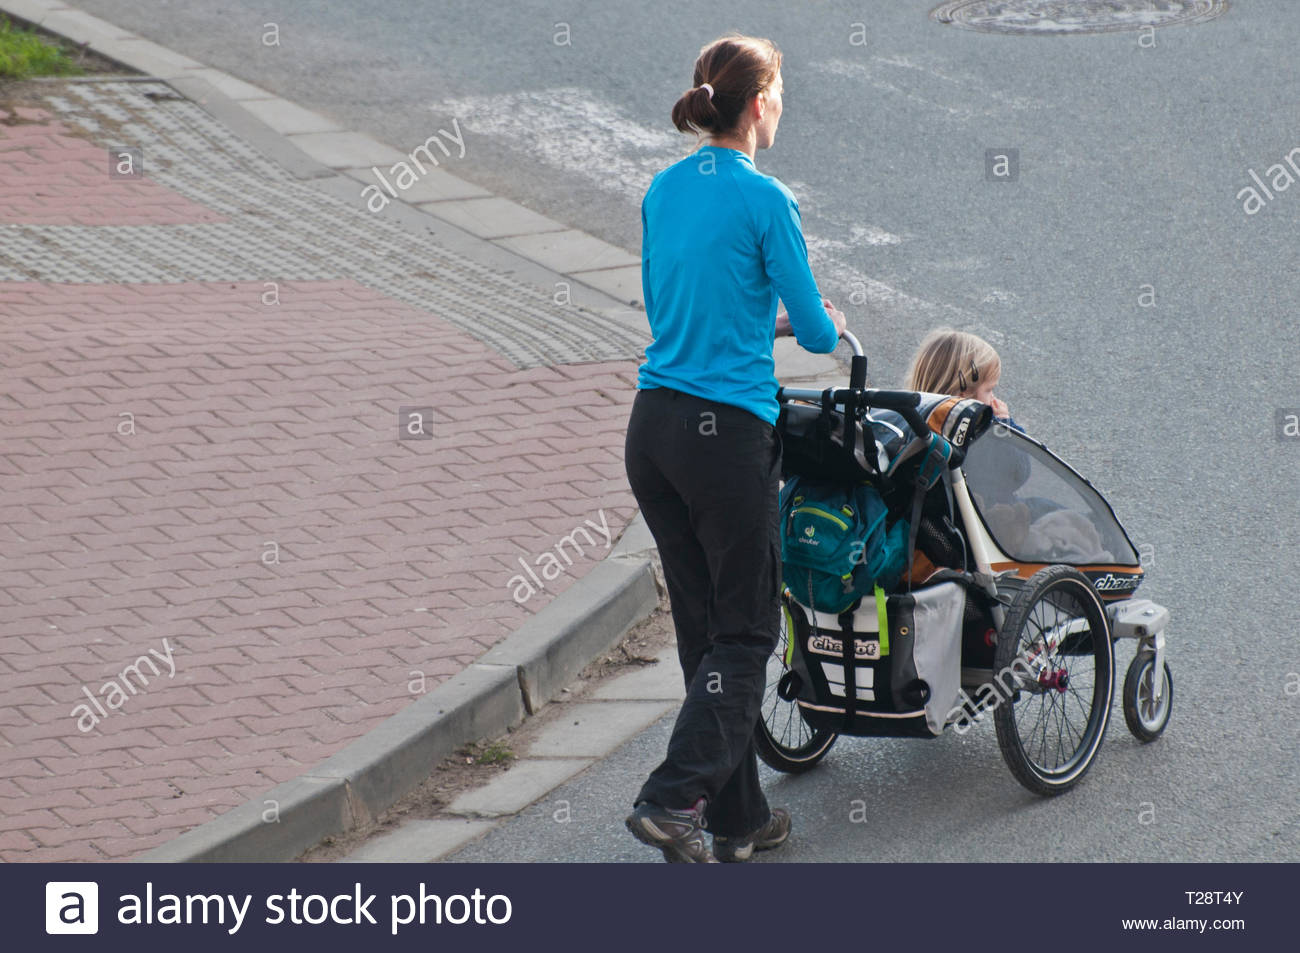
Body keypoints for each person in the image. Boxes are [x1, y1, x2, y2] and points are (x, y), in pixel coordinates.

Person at [623, 33, 845, 863]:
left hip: (653, 431)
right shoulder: (764, 199)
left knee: (704, 630)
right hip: (725, 436)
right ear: (758, 105)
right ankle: (672, 797)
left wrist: (759, 318)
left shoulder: (663, 188)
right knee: (748, 632)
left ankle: (738, 818)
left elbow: (675, 306)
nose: (782, 105)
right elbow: (820, 331)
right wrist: (811, 321)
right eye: (780, 92)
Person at [903, 327, 1024, 433]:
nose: (993, 397)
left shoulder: (906, 419)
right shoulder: (976, 432)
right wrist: (1005, 423)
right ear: (963, 397)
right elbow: (1018, 456)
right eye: (989, 390)